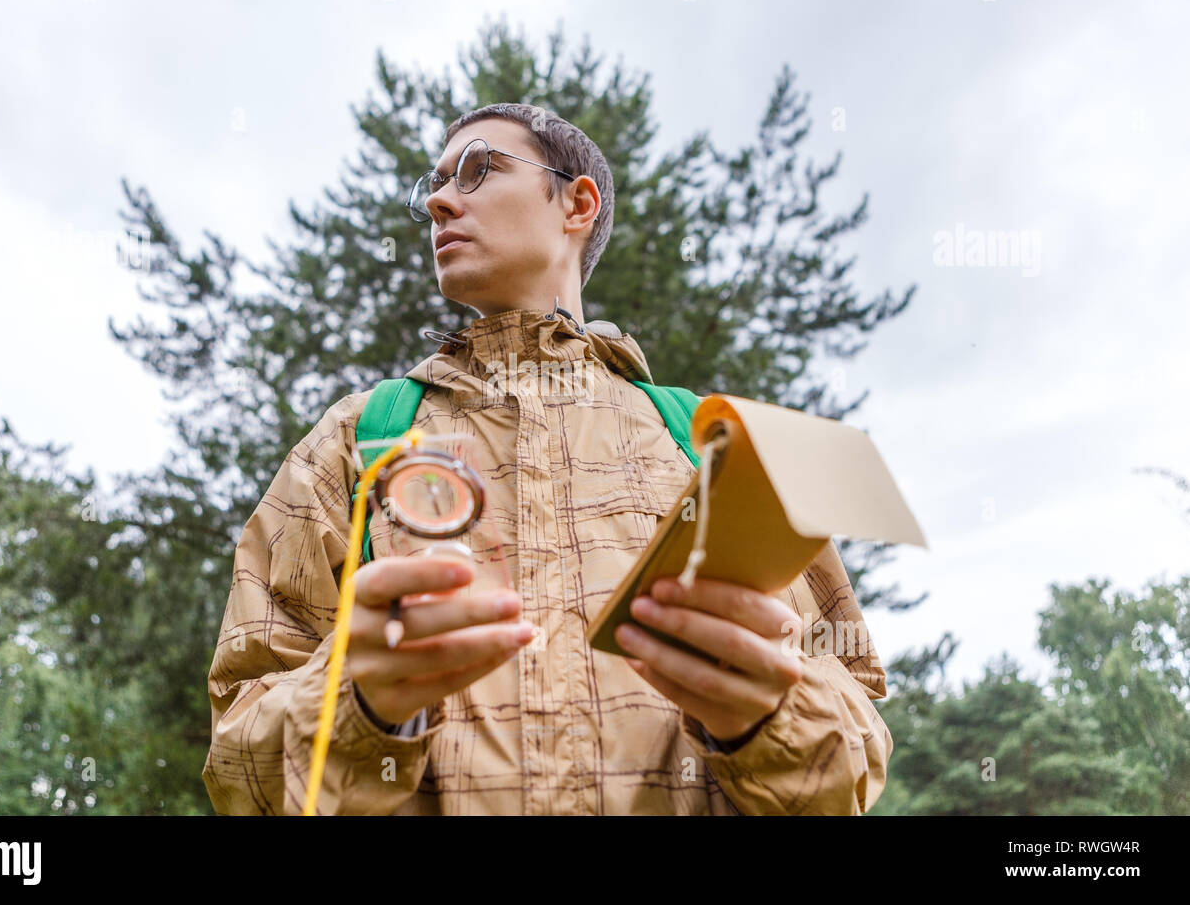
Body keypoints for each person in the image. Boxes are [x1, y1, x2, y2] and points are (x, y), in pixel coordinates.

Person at [201, 103, 893, 815]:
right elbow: (236, 763)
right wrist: (361, 708)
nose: (439, 201)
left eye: (478, 169)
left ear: (577, 201)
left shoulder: (716, 445)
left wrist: (767, 722)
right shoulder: (357, 440)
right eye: (432, 185)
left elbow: (854, 757)